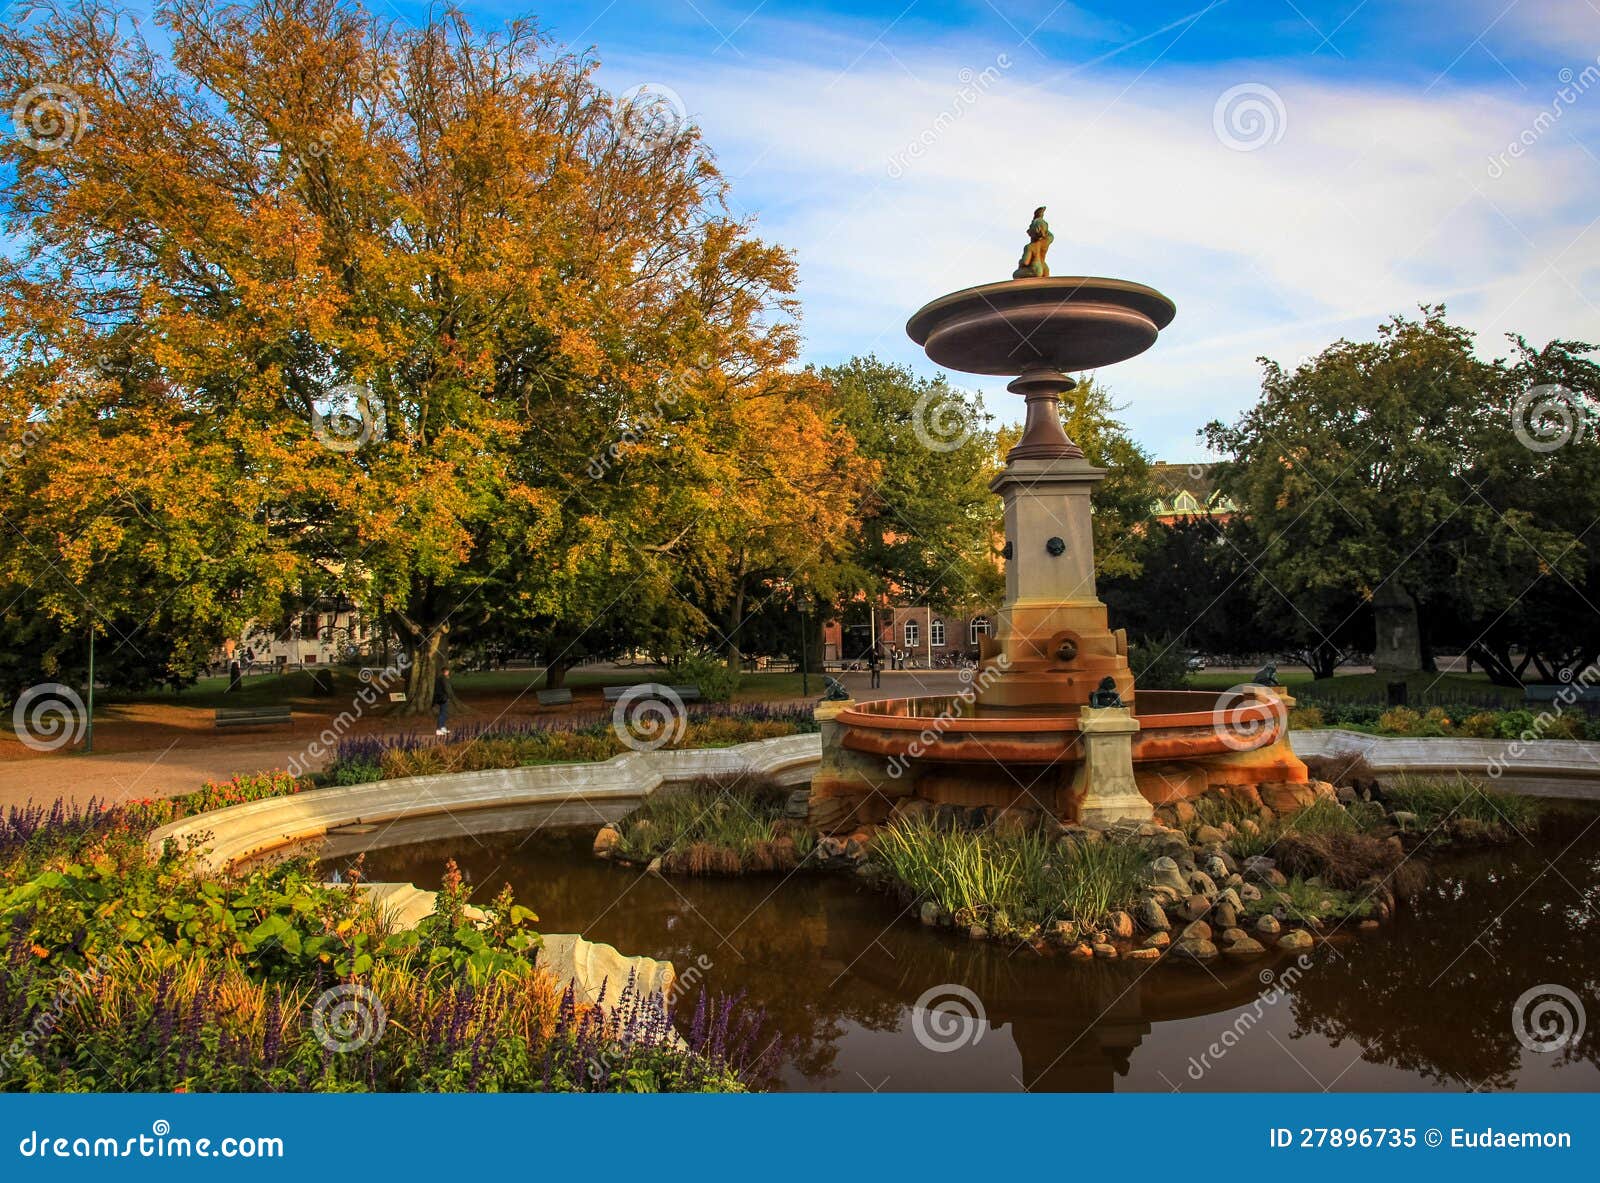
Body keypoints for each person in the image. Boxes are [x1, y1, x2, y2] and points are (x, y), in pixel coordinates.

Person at [434, 665, 452, 736]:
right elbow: (446, 688)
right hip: (443, 697)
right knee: (442, 713)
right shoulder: (443, 678)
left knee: (444, 712)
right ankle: (439, 729)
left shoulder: (439, 678)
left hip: (440, 697)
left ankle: (442, 727)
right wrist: (449, 696)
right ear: (446, 672)